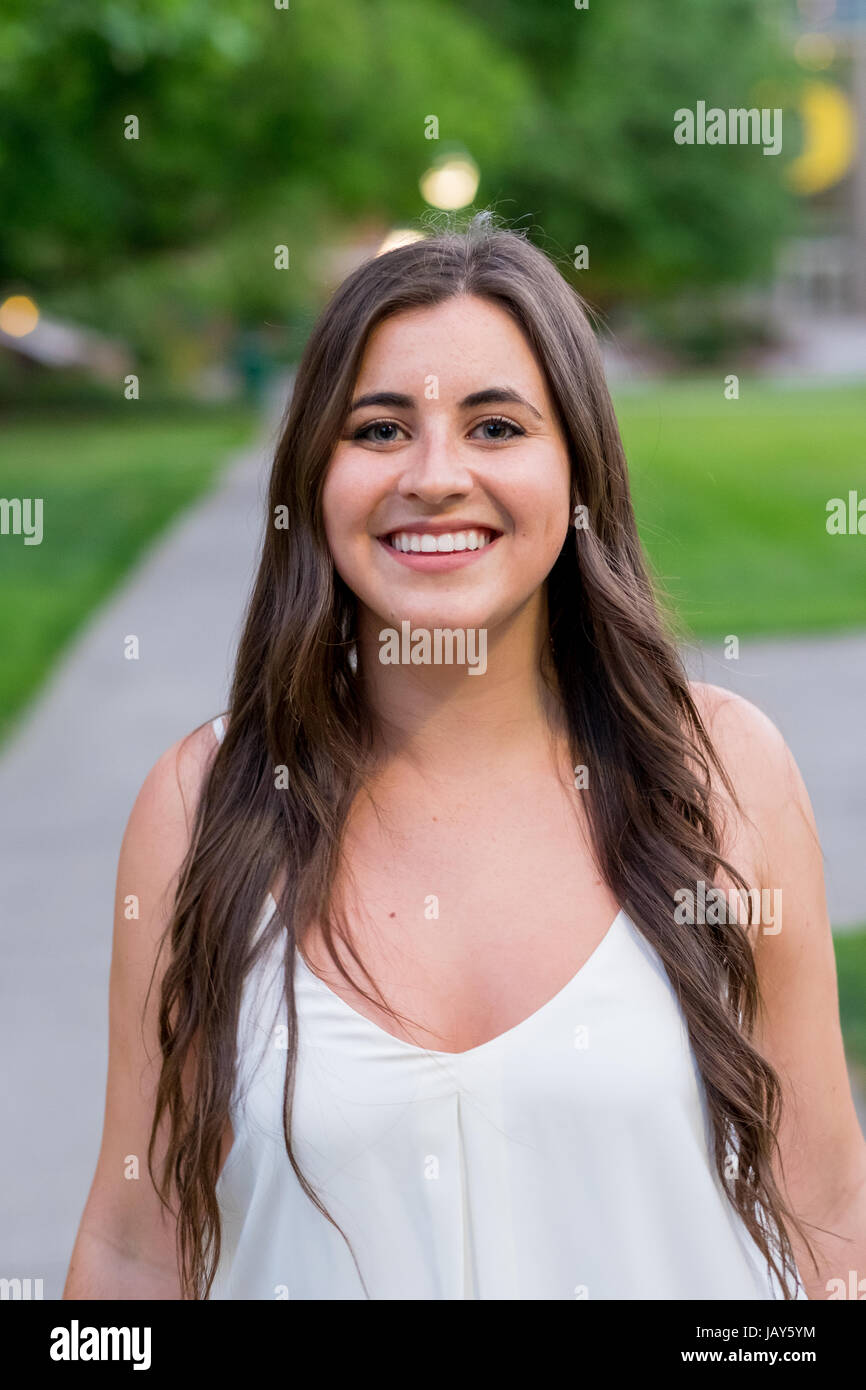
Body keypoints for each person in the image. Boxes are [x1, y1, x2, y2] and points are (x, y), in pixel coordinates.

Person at [64, 215, 866, 1300]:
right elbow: (132, 1241)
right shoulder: (202, 805)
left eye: (495, 426)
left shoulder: (722, 774)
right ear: (312, 476)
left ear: (577, 467)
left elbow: (824, 1210)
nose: (435, 476)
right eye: (380, 429)